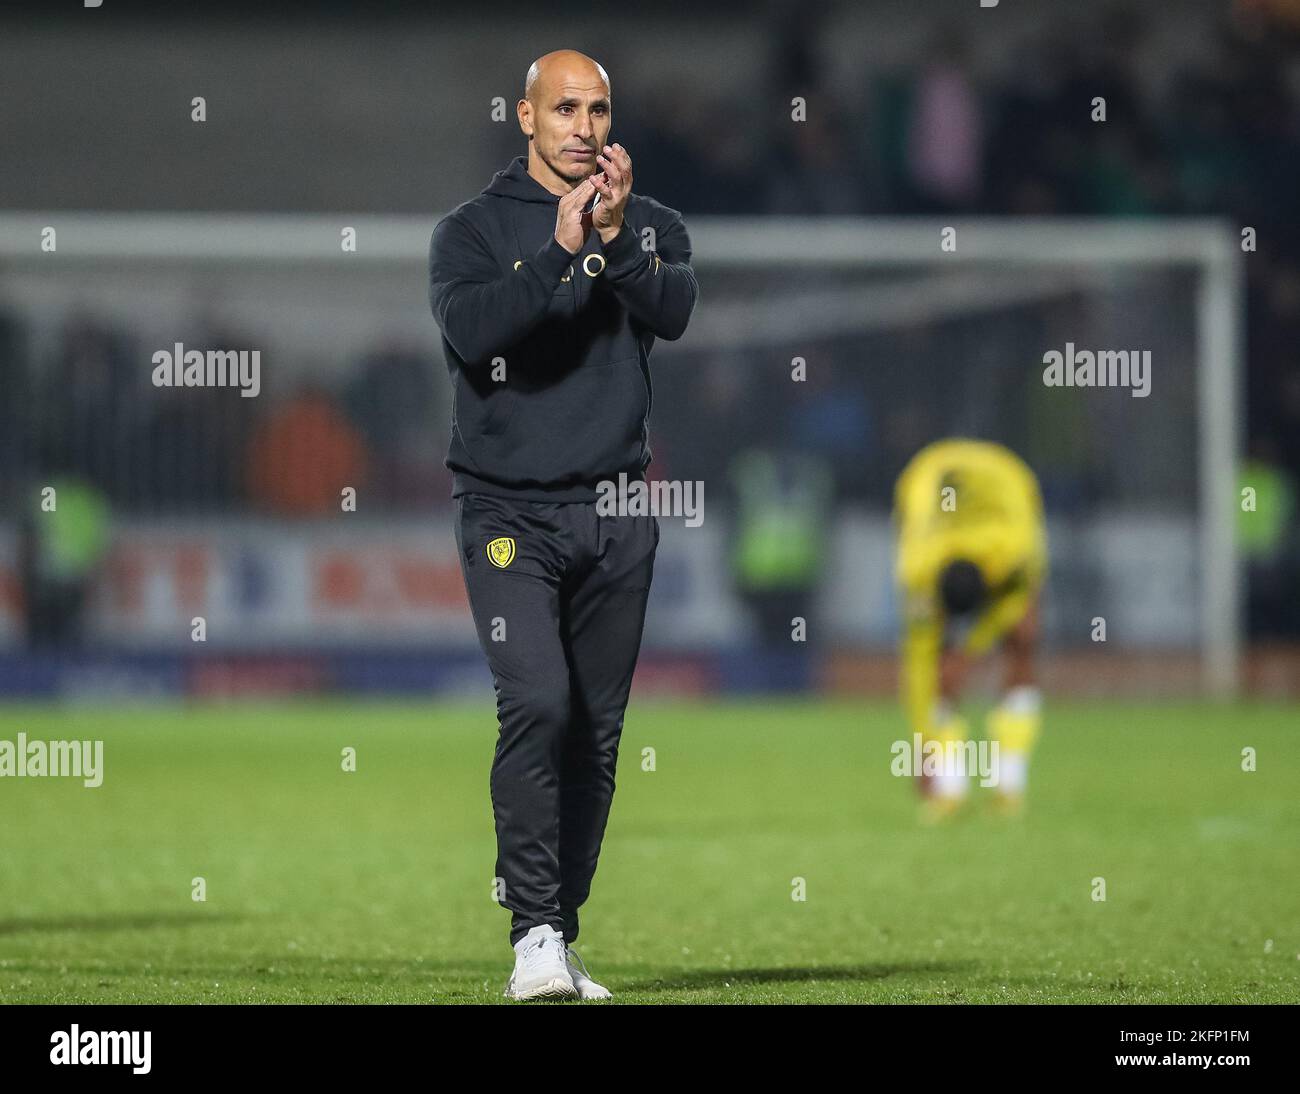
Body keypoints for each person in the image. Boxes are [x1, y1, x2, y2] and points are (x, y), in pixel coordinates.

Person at [427, 49, 698, 1000]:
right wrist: (559, 246)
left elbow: (675, 308)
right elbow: (478, 332)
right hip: (509, 511)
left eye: (600, 109)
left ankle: (560, 935)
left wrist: (617, 241)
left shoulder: (651, 223)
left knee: (595, 735)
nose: (585, 126)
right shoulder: (469, 231)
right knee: (537, 702)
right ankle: (531, 932)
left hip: (621, 510)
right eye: (566, 108)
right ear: (526, 117)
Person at [893, 439, 1048, 820]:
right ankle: (949, 786)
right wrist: (921, 743)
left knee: (1022, 639)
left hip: (1008, 477)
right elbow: (918, 658)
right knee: (939, 668)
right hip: (926, 470)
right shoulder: (917, 566)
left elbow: (1022, 596)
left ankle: (1009, 784)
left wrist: (970, 649)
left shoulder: (1015, 552)